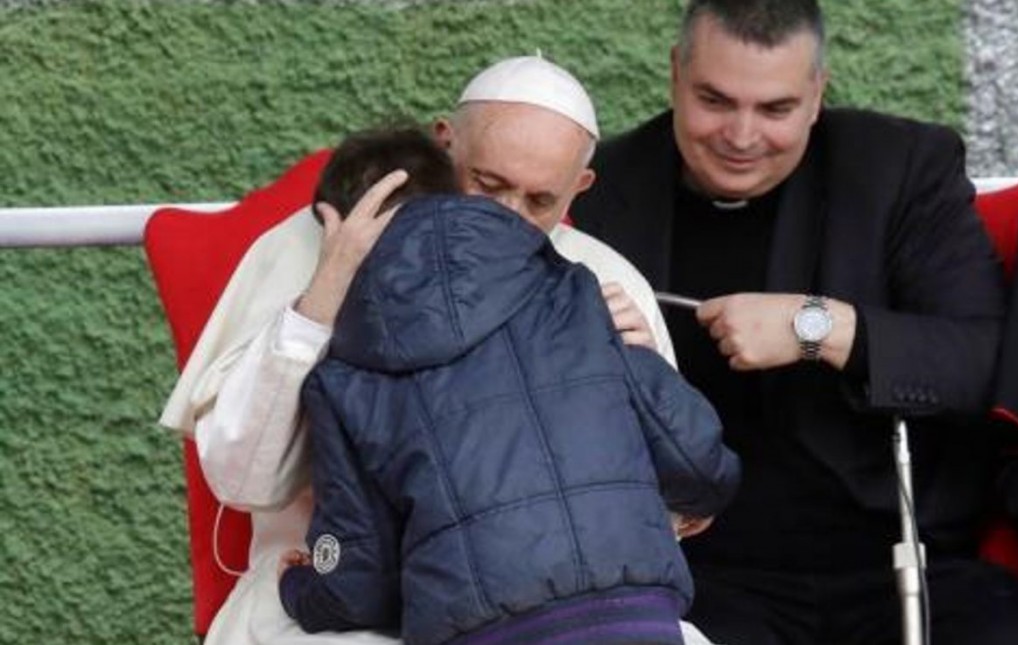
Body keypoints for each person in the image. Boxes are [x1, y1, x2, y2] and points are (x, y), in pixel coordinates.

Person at [157, 57, 718, 645]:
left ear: (579, 188)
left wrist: (630, 369)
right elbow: (243, 478)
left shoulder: (602, 276)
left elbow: (660, 516)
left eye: (539, 201)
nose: (506, 220)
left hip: (540, 602)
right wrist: (323, 295)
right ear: (445, 144)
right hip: (329, 597)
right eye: (488, 185)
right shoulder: (314, 244)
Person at [570, 1, 1018, 643]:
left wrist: (822, 328)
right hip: (701, 573)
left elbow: (982, 362)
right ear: (675, 74)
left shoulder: (900, 169)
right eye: (714, 100)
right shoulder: (603, 185)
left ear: (817, 95)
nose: (742, 135)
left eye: (776, 109)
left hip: (896, 559)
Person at [275, 125, 740, 644]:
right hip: (635, 615)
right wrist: (698, 496)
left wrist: (301, 586)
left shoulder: (343, 373)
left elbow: (362, 582)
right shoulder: (576, 293)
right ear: (456, 194)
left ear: (333, 230)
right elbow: (698, 458)